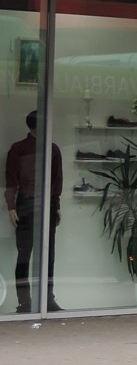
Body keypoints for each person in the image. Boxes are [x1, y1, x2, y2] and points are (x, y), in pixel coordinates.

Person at [5, 110, 63, 313]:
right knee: (24, 254)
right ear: (37, 126)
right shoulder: (19, 149)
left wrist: (56, 204)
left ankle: (48, 299)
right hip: (25, 204)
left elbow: (56, 180)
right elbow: (11, 179)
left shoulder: (53, 149)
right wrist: (11, 206)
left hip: (46, 203)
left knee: (49, 254)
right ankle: (24, 302)